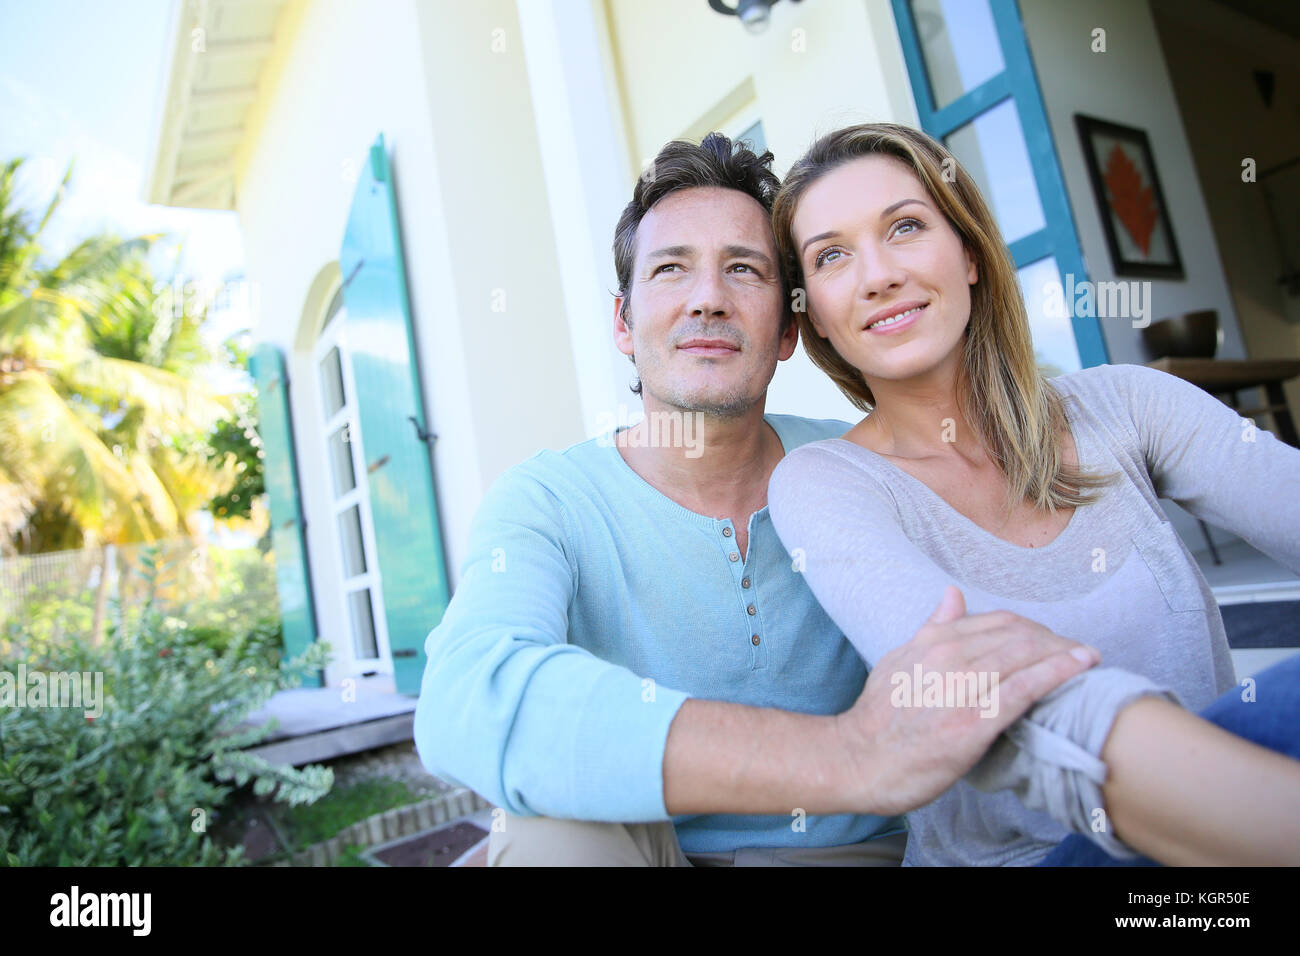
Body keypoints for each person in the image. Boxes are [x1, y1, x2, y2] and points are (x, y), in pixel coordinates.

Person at [413, 132, 1104, 866]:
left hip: (877, 854)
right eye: (671, 270)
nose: (708, 299)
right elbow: (468, 700)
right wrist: (847, 754)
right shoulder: (547, 500)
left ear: (787, 330)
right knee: (544, 834)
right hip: (653, 852)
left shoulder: (867, 469)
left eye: (743, 270)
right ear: (623, 322)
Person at [766, 121, 1300, 866]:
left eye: (907, 227)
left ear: (971, 254)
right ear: (814, 315)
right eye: (831, 256)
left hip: (1205, 829)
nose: (877, 274)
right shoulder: (825, 485)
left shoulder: (1129, 404)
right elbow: (988, 697)